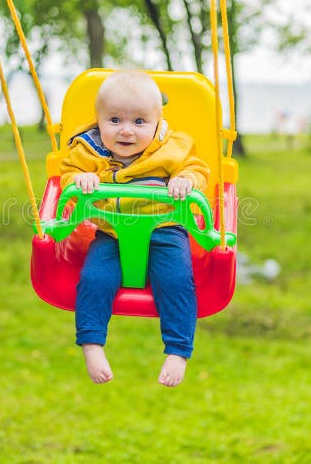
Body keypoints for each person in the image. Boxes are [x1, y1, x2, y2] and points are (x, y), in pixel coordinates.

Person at [60, 70, 210, 387]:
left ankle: (178, 350)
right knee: (93, 279)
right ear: (99, 120)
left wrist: (185, 180)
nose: (126, 131)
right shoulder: (87, 150)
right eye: (114, 120)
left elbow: (197, 168)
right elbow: (68, 173)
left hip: (166, 228)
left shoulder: (173, 147)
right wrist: (80, 180)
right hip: (111, 232)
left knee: (177, 280)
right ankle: (91, 344)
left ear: (157, 123)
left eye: (139, 122)